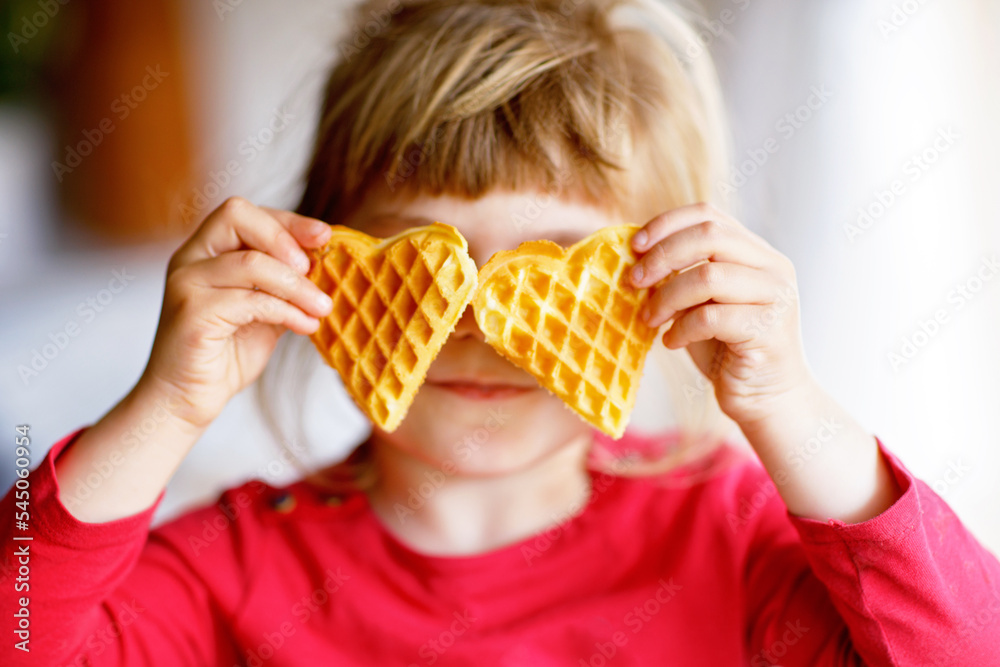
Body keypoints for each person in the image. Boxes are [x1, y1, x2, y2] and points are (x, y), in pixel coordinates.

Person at [2, 0, 999, 664]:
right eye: (421, 263)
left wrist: (792, 409)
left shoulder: (725, 536)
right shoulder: (233, 569)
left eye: (552, 273)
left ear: (667, 285)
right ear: (319, 270)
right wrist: (164, 407)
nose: (479, 332)